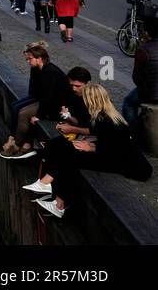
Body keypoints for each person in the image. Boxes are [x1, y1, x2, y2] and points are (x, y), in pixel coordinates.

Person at [22, 83, 153, 218]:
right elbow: (106, 139)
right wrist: (91, 145)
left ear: (91, 100)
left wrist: (92, 148)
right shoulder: (103, 115)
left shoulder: (106, 120)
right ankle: (52, 194)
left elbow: (118, 151)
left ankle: (54, 196)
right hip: (112, 156)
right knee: (65, 146)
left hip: (127, 165)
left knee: (71, 155)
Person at [0, 42, 72, 160]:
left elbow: (48, 97)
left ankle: (17, 145)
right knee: (17, 108)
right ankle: (17, 142)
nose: (28, 61)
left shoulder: (50, 72)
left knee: (23, 114)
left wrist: (40, 115)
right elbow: (35, 91)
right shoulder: (40, 68)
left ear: (39, 58)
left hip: (57, 107)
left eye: (30, 59)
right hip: (47, 101)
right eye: (27, 59)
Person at [123, 15, 158, 125]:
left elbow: (136, 78)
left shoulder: (143, 50)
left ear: (147, 33)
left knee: (128, 103)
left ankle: (134, 132)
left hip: (151, 94)